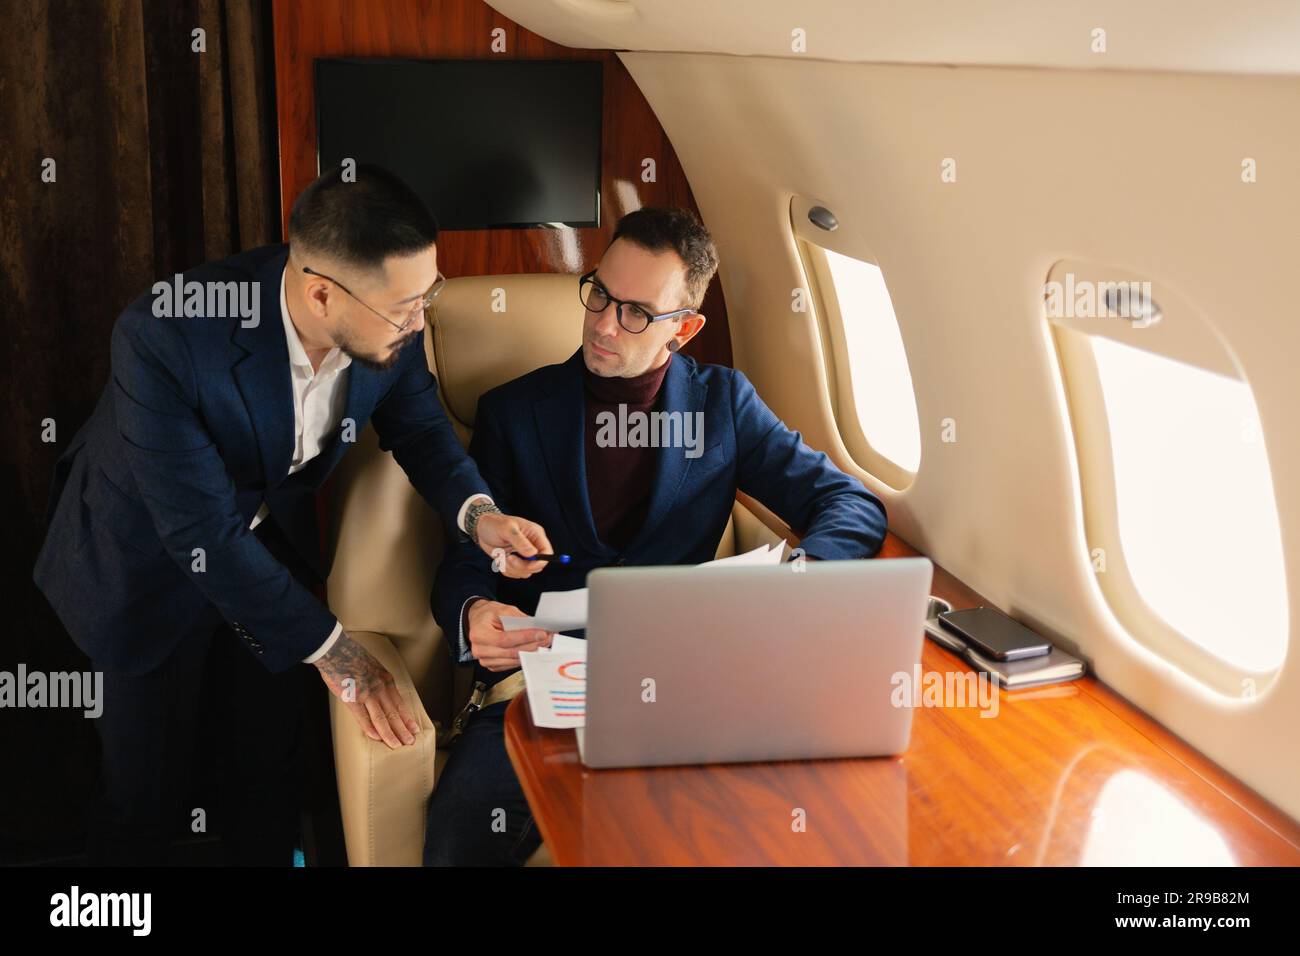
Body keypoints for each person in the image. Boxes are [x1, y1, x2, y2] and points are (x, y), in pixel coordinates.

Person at [33, 163, 553, 865]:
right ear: (320, 294)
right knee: (144, 795)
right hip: (143, 564)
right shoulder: (163, 335)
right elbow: (200, 534)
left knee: (271, 768)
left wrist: (479, 515)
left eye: (427, 294)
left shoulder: (389, 321)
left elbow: (423, 429)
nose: (419, 318)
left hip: (266, 555)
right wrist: (339, 654)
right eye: (406, 307)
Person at [424, 206, 888, 866]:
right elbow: (465, 561)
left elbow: (849, 503)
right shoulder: (513, 412)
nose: (605, 323)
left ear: (686, 328)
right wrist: (472, 613)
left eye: (637, 312)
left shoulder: (724, 405)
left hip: (685, 682)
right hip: (545, 689)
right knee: (462, 831)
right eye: (600, 296)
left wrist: (800, 581)